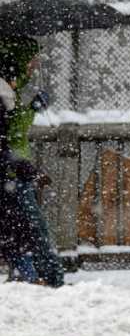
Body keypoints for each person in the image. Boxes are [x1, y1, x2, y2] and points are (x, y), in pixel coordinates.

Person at [0, 36, 60, 285]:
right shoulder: (6, 90)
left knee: (18, 229)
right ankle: (48, 279)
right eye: (31, 58)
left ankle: (31, 276)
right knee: (28, 229)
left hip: (13, 169)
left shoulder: (11, 88)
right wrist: (19, 165)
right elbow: (11, 131)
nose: (35, 64)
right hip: (12, 172)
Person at [0, 155, 62, 287]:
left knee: (26, 234)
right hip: (14, 178)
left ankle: (39, 277)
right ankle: (38, 277)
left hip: (15, 178)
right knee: (29, 234)